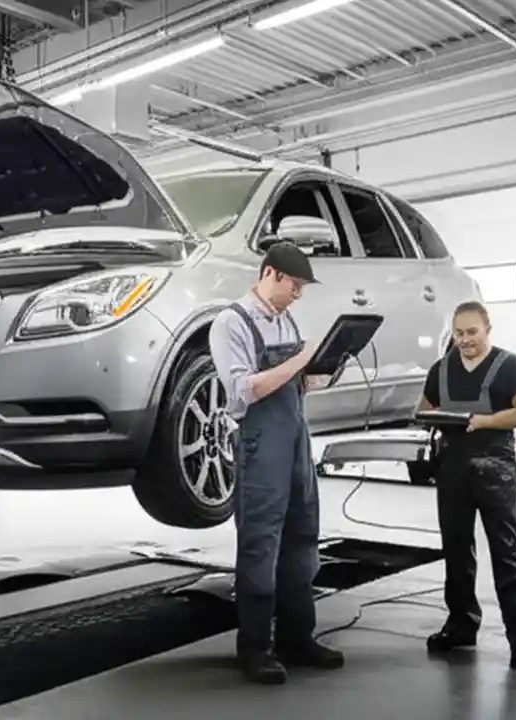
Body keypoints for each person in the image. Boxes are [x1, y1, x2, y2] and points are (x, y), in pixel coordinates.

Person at [207, 241, 344, 685]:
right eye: (296, 286)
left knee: (302, 538)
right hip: (260, 442)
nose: (299, 295)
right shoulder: (231, 323)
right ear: (272, 274)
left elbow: (296, 383)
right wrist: (301, 360)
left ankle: (297, 638)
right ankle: (256, 648)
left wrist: (321, 369)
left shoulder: (285, 318)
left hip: (296, 439)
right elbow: (242, 391)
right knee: (260, 544)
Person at [417, 300, 516, 670]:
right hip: (452, 466)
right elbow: (423, 409)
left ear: (488, 329)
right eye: (459, 333)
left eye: (472, 332)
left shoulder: (512, 366)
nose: (466, 340)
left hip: (495, 466)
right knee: (455, 550)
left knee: (505, 552)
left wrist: (480, 421)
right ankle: (461, 626)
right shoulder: (441, 370)